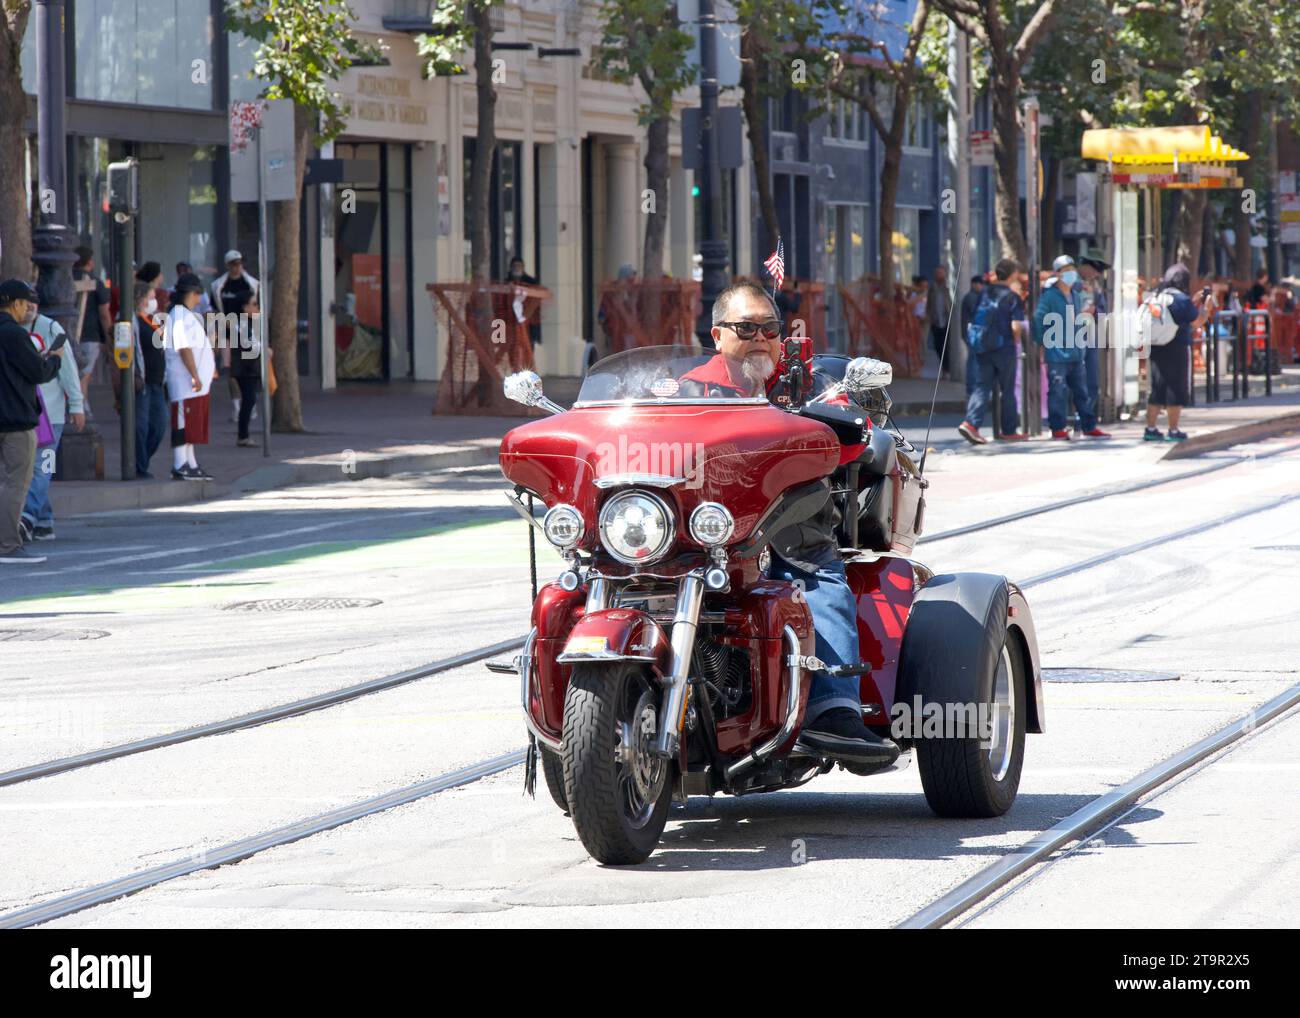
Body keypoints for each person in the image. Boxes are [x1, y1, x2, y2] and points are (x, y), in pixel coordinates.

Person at [677, 281, 898, 770]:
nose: (760, 338)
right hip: (702, 527)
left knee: (815, 576)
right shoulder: (686, 389)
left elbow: (850, 439)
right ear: (718, 334)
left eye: (769, 329)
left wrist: (834, 421)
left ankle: (833, 709)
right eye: (746, 328)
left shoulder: (807, 384)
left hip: (790, 524)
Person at [0, 280, 65, 564]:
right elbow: (37, 371)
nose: (28, 309)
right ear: (14, 303)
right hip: (15, 419)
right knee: (17, 482)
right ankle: (7, 544)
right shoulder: (14, 334)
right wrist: (54, 360)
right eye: (25, 303)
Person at [21, 297, 85, 542]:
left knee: (44, 468)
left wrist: (77, 404)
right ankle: (44, 520)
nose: (28, 307)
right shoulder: (11, 330)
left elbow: (67, 368)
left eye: (33, 303)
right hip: (24, 412)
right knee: (32, 469)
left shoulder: (50, 329)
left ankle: (27, 516)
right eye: (23, 303)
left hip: (52, 415)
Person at [1033, 254, 1109, 440]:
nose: (1070, 274)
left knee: (1082, 392)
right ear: (1057, 274)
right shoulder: (1050, 296)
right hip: (1057, 353)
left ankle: (1088, 425)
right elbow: (1038, 320)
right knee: (1058, 391)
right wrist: (1043, 342)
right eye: (1065, 271)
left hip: (1076, 351)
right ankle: (1058, 428)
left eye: (1072, 270)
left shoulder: (1075, 295)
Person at [958, 258, 1028, 444]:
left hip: (983, 345)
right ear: (1013, 274)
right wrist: (1016, 342)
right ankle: (1009, 430)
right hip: (1004, 347)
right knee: (1007, 390)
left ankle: (971, 424)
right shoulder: (1013, 297)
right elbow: (1015, 326)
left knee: (982, 386)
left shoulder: (985, 292)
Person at [164, 273, 217, 480]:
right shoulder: (179, 315)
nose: (199, 299)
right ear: (193, 293)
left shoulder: (185, 315)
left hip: (193, 383)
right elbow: (183, 347)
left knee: (191, 423)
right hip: (184, 381)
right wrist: (195, 375)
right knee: (182, 421)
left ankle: (190, 462)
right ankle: (180, 463)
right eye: (198, 295)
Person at [1145, 263, 1205, 442]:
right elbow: (1196, 322)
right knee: (1175, 389)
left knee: (1157, 388)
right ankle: (1173, 430)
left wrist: (1192, 302)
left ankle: (1150, 428)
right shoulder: (1181, 300)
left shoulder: (1157, 296)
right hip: (1176, 347)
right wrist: (1206, 308)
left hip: (1155, 347)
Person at [211, 251, 260, 423]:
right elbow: (214, 311)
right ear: (227, 265)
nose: (237, 267)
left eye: (239, 263)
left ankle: (249, 403)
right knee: (231, 370)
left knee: (249, 368)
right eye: (233, 264)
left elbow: (258, 309)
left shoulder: (251, 284)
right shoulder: (219, 286)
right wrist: (214, 336)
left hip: (247, 331)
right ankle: (237, 406)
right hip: (227, 331)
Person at [132, 281, 168, 477]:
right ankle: (139, 465)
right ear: (141, 298)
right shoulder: (131, 320)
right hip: (143, 382)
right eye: (151, 297)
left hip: (157, 382)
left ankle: (142, 460)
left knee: (159, 424)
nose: (154, 300)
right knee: (141, 425)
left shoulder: (151, 320)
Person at [72, 246, 112, 416]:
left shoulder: (62, 278)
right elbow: (104, 313)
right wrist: (109, 339)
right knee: (84, 377)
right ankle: (81, 411)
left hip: (67, 335)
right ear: (89, 262)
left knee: (74, 375)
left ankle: (78, 408)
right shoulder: (96, 283)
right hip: (90, 335)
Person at [231, 290, 265, 447]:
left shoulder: (251, 323)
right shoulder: (241, 324)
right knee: (249, 399)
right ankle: (242, 435)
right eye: (254, 304)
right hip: (245, 368)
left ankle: (243, 434)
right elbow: (248, 346)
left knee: (250, 400)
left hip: (250, 367)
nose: (257, 307)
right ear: (245, 307)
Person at [960, 274, 986, 396]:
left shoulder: (975, 297)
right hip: (972, 333)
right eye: (980, 284)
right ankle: (972, 389)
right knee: (973, 362)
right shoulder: (972, 297)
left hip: (973, 333)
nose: (982, 286)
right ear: (974, 284)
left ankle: (973, 388)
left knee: (975, 361)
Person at [926, 264, 953, 377]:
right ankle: (944, 367)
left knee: (947, 346)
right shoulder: (932, 287)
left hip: (947, 320)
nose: (939, 275)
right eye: (937, 273)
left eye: (941, 273)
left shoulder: (949, 287)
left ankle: (947, 369)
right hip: (936, 320)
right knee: (938, 345)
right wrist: (928, 315)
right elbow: (929, 303)